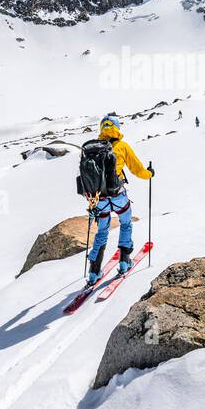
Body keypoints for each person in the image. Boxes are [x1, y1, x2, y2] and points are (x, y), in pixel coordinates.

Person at [84, 114, 153, 284]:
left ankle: (94, 272)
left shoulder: (91, 149)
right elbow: (138, 170)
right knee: (126, 223)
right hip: (118, 196)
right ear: (117, 128)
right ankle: (124, 261)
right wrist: (150, 173)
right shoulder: (122, 146)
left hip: (99, 199)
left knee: (102, 232)